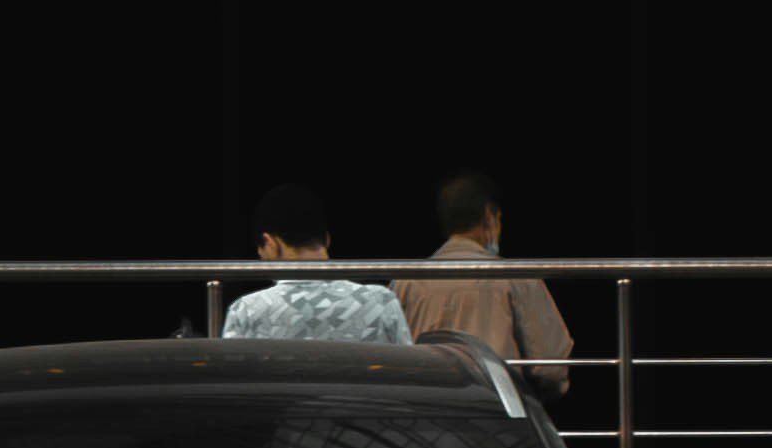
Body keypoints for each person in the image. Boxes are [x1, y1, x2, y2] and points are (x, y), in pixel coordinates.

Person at [400, 166, 574, 393]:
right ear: (489, 217)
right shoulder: (515, 277)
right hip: (496, 413)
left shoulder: (406, 281)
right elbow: (551, 367)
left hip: (428, 413)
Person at [222, 193, 408, 347]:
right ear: (327, 239)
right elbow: (408, 376)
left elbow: (232, 383)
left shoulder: (247, 311)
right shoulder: (381, 301)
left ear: (271, 243)